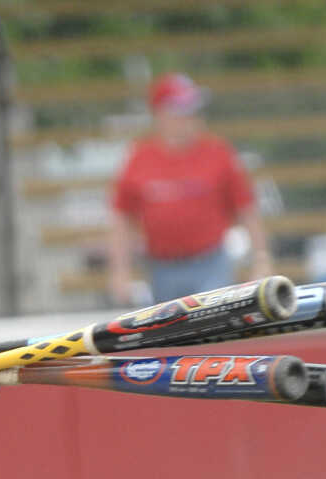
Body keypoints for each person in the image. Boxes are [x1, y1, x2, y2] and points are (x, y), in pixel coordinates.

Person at [106, 71, 273, 306]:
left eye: (193, 111)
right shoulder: (139, 158)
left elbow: (246, 209)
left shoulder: (218, 153)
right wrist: (119, 270)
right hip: (161, 266)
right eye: (182, 110)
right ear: (160, 114)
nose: (191, 117)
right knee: (168, 333)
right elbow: (122, 218)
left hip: (210, 262)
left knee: (212, 325)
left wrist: (260, 259)